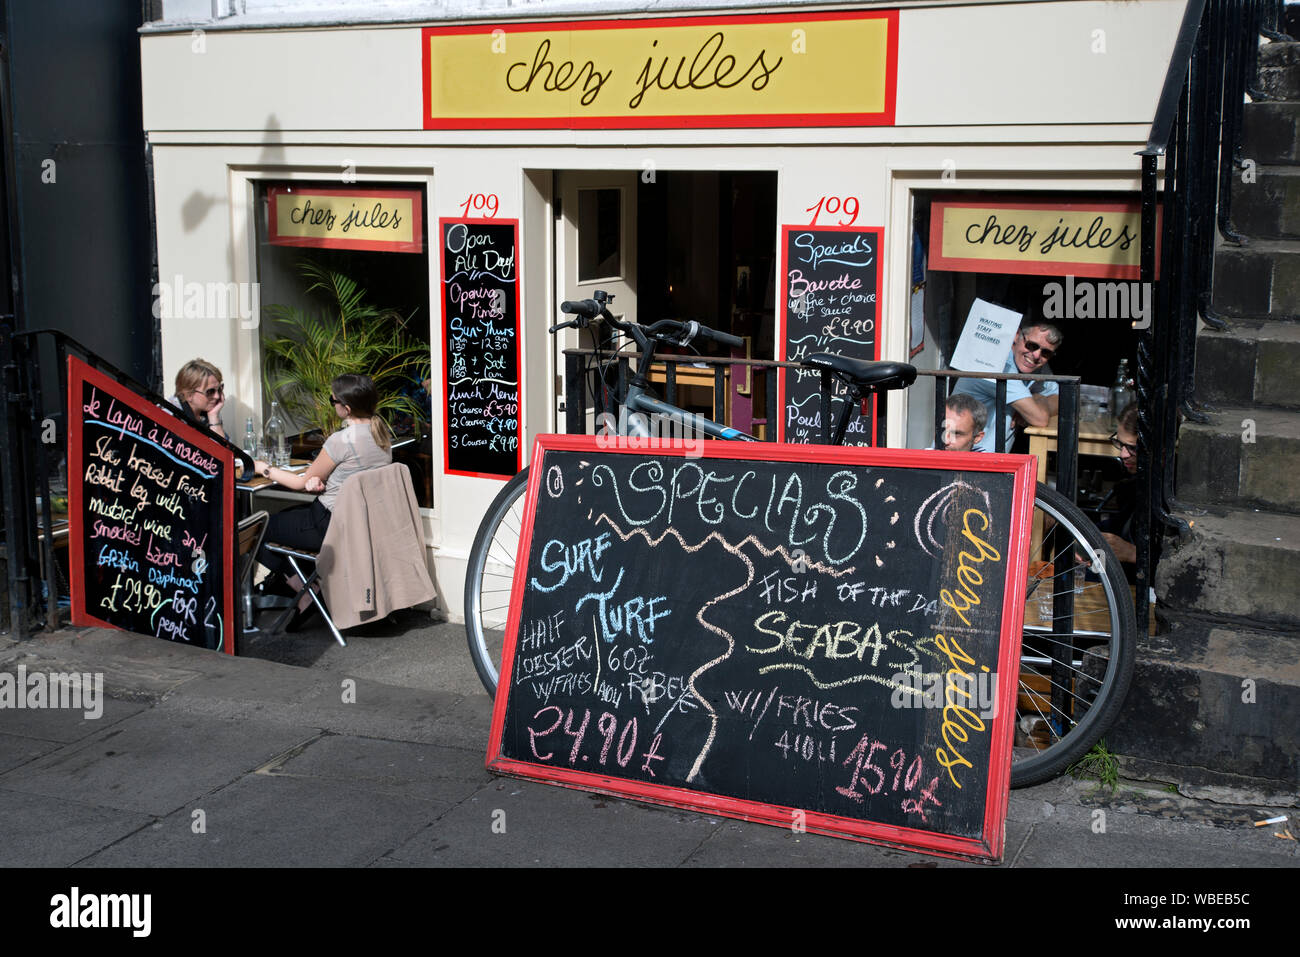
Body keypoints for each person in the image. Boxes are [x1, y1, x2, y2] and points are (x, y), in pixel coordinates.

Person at [254, 374, 393, 618]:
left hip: (330, 525)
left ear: (346, 408)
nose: (332, 404)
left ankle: (306, 594)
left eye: (333, 401)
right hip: (362, 525)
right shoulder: (382, 437)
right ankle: (312, 586)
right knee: (284, 517)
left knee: (259, 528)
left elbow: (299, 483)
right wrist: (324, 480)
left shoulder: (342, 440)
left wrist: (263, 468)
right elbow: (354, 477)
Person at [954, 322, 1063, 453]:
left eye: (1046, 353)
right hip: (963, 459)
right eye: (1032, 346)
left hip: (992, 460)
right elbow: (1040, 419)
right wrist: (1035, 400)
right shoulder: (997, 364)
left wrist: (1033, 401)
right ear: (1016, 336)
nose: (1036, 355)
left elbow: (1060, 398)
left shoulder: (1037, 366)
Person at [1099, 401, 1139, 566]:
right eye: (1120, 444)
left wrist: (1132, 553)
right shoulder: (1133, 486)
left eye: (1132, 448)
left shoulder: (1174, 494)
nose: (1123, 454)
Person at [170, 358, 227, 439]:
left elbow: (225, 450)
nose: (217, 396)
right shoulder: (171, 417)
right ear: (189, 394)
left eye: (220, 389)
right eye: (210, 391)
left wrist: (214, 417)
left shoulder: (207, 412)